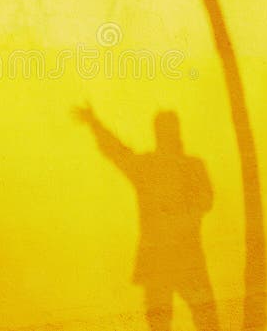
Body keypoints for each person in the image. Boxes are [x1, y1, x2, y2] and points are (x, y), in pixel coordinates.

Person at [74, 104, 219, 331]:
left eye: (170, 129)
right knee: (167, 321)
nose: (168, 135)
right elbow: (117, 151)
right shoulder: (150, 167)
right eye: (165, 129)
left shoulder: (189, 166)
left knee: (204, 318)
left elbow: (205, 200)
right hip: (165, 259)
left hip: (183, 258)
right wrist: (95, 124)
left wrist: (182, 218)